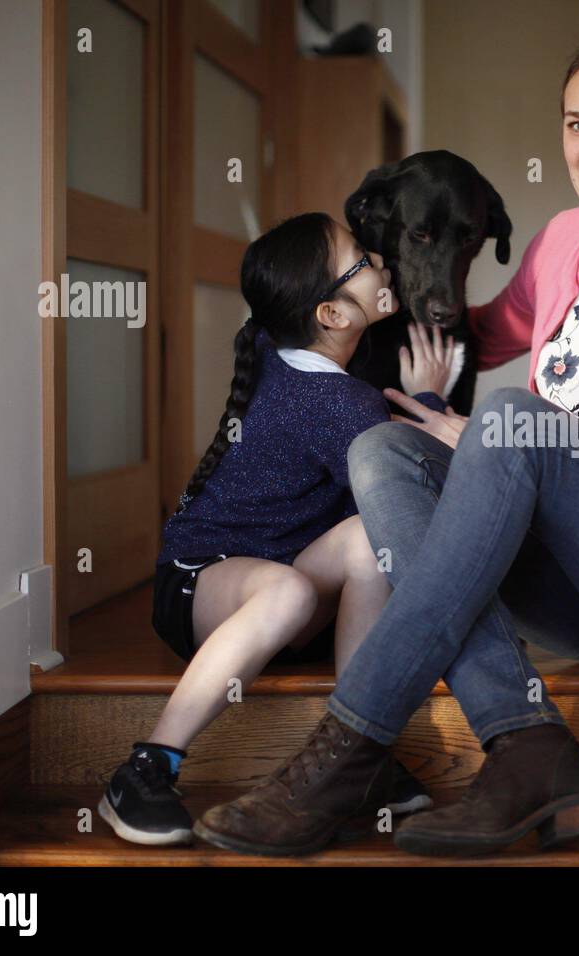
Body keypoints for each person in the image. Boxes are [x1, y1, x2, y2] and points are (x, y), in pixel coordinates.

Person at [194, 27, 579, 858]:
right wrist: (332, 324)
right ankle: (528, 746)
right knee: (384, 452)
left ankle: (347, 748)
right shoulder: (566, 242)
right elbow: (474, 332)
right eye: (576, 124)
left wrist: (486, 437)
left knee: (511, 421)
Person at [97, 212, 457, 846]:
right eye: (361, 258)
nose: (379, 258)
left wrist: (415, 402)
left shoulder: (277, 348)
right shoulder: (335, 405)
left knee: (369, 543)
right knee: (294, 587)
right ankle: (145, 767)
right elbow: (412, 471)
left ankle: (357, 752)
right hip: (200, 588)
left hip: (280, 582)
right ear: (332, 315)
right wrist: (427, 402)